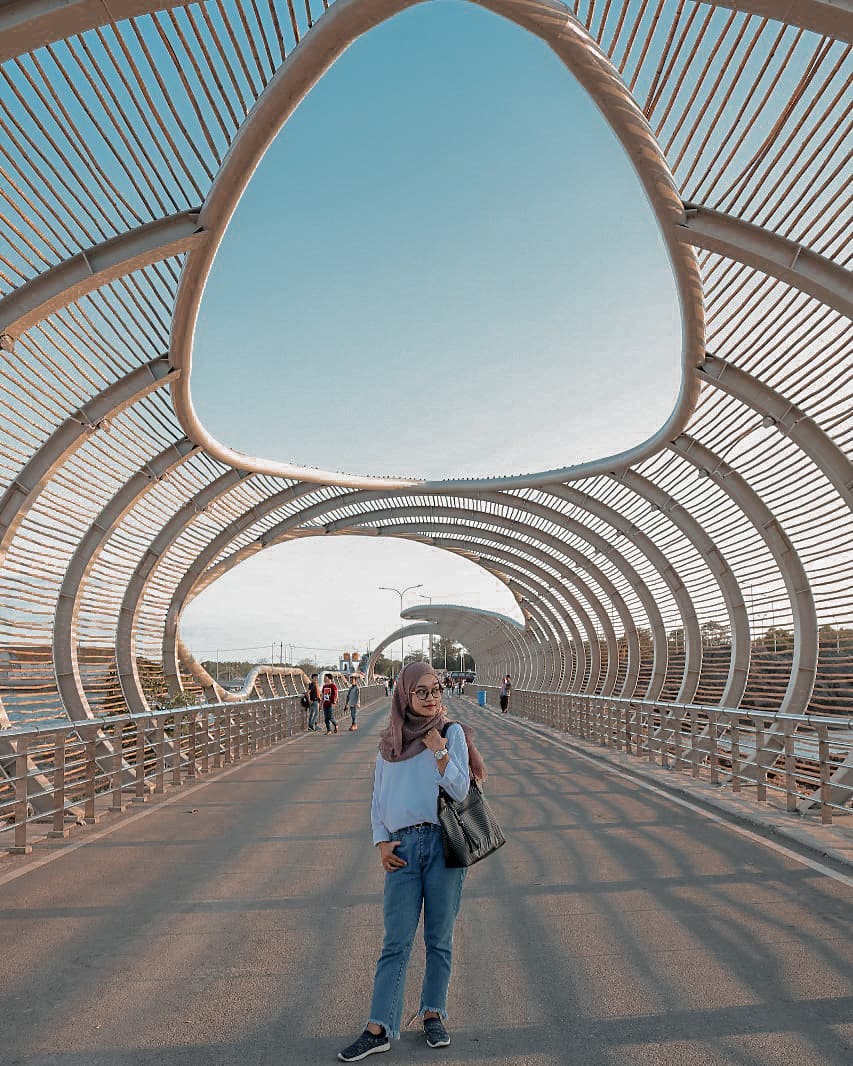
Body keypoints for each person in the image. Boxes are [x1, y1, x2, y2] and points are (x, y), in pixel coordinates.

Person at [337, 662, 487, 1062]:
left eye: (436, 689)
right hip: (402, 848)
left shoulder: (450, 734)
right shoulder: (390, 742)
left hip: (443, 845)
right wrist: (381, 842)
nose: (431, 697)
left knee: (439, 938)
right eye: (421, 691)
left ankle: (433, 1012)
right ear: (404, 694)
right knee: (395, 942)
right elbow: (379, 799)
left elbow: (458, 787)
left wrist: (439, 751)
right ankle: (379, 1027)